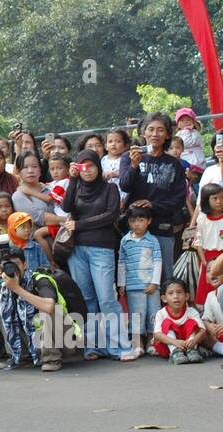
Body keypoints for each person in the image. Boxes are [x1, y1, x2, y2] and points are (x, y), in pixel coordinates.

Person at [62, 148, 136, 360]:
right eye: (82, 166)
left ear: (98, 166)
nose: (87, 170)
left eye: (91, 166)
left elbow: (111, 214)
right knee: (86, 299)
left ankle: (119, 347)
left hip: (101, 248)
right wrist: (73, 179)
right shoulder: (75, 186)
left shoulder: (109, 188)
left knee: (106, 299)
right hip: (76, 250)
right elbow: (66, 206)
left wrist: (79, 224)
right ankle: (92, 346)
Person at [119, 113, 187, 282]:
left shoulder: (174, 163)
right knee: (138, 276)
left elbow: (179, 199)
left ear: (167, 135)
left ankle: (165, 308)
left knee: (165, 276)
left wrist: (153, 205)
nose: (155, 134)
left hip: (162, 227)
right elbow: (125, 186)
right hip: (135, 227)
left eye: (160, 130)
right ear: (142, 133)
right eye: (150, 129)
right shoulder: (129, 157)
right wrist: (134, 166)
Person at [0, 249, 65, 371]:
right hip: (35, 341)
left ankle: (52, 358)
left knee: (45, 310)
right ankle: (23, 357)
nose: (13, 270)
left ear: (25, 264)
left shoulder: (39, 279)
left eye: (16, 264)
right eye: (8, 266)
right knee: (1, 306)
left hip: (64, 340)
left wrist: (17, 289)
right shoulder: (4, 288)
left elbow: (49, 307)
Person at [116, 206, 162, 352]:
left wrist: (155, 282)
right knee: (136, 314)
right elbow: (121, 263)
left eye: (141, 220)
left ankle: (151, 341)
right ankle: (137, 343)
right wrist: (122, 284)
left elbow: (158, 261)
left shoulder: (153, 240)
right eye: (133, 220)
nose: (136, 224)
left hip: (152, 286)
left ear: (149, 221)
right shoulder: (125, 241)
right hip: (133, 286)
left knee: (153, 313)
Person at [12, 150, 54, 272]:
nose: (30, 171)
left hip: (62, 243)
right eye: (25, 167)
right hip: (38, 252)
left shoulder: (50, 188)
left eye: (35, 166)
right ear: (19, 172)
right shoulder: (18, 196)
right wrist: (65, 221)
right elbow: (39, 218)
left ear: (40, 170)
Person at [149, 279, 206, 364]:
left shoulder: (192, 311)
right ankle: (175, 352)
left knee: (191, 322)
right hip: (168, 345)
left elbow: (202, 330)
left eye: (179, 292)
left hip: (187, 344)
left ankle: (192, 350)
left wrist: (193, 341)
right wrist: (175, 342)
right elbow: (157, 334)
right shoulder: (161, 313)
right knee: (167, 322)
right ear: (164, 298)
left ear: (186, 296)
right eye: (171, 293)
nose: (175, 296)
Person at [193, 182, 223, 306]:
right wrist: (204, 262)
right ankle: (207, 318)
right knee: (207, 289)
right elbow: (199, 242)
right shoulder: (202, 218)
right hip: (208, 257)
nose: (219, 201)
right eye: (215, 198)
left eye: (222, 197)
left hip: (221, 257)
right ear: (206, 200)